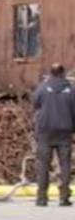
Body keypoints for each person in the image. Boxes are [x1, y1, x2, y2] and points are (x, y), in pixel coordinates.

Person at [32, 63, 75, 207]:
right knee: (65, 164)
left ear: (50, 73)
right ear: (63, 73)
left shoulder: (43, 88)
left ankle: (42, 198)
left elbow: (35, 103)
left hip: (45, 131)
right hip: (65, 131)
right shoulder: (71, 90)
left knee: (43, 164)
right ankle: (64, 197)